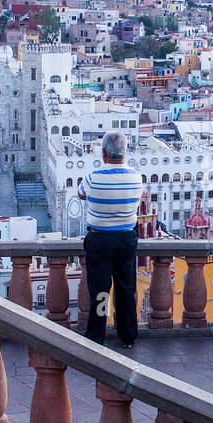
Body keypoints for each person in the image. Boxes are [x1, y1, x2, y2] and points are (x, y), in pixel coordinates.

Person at [77, 131, 143, 349]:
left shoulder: (93, 177)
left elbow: (81, 194)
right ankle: (128, 336)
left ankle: (97, 336)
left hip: (100, 239)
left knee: (100, 291)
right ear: (125, 153)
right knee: (126, 289)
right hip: (126, 239)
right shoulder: (136, 177)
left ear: (104, 153)